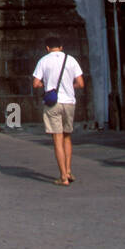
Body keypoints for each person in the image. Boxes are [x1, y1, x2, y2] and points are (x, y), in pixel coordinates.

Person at [31, 38, 85, 185]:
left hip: (53, 103)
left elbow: (36, 83)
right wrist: (69, 86)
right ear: (61, 47)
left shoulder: (43, 61)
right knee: (67, 137)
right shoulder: (71, 60)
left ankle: (63, 177)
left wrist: (47, 85)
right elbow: (80, 83)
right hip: (69, 102)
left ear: (47, 48)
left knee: (57, 139)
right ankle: (68, 170)